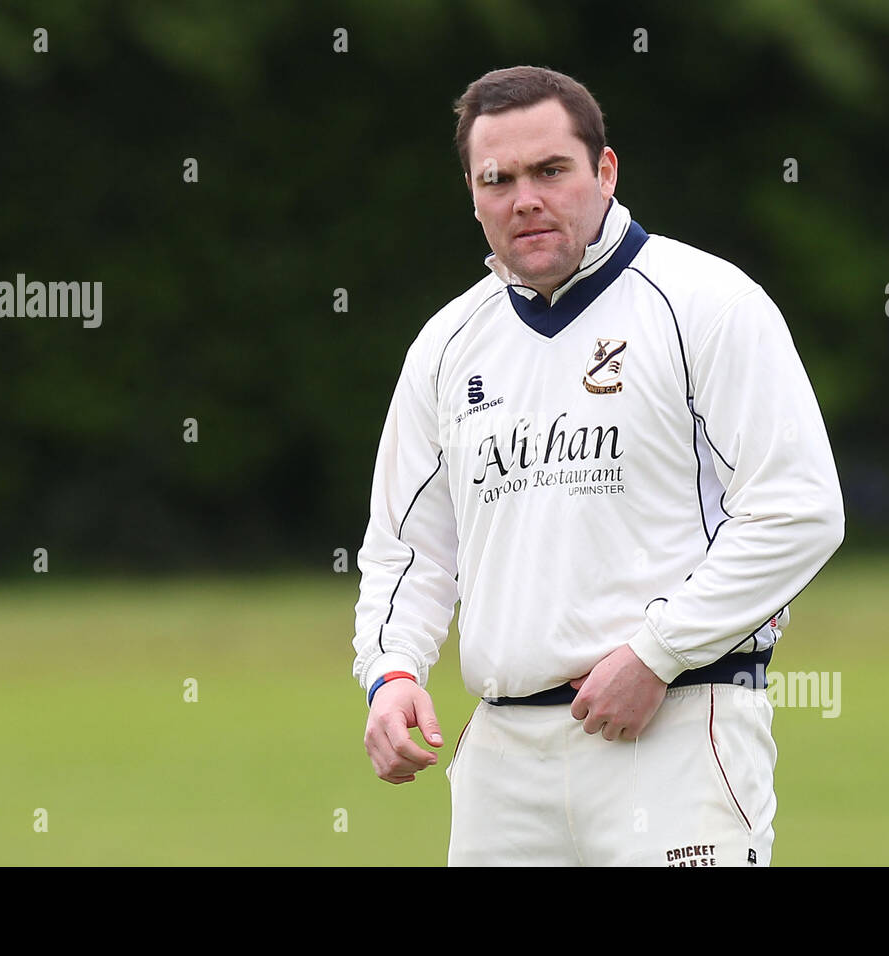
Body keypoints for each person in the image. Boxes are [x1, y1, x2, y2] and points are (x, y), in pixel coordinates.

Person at [351, 65, 844, 867]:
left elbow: (800, 511)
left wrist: (658, 653)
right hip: (504, 760)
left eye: (551, 171)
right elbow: (410, 546)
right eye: (497, 179)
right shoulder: (446, 344)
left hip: (677, 730)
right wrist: (393, 670)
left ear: (604, 171)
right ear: (472, 194)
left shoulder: (708, 304)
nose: (526, 199)